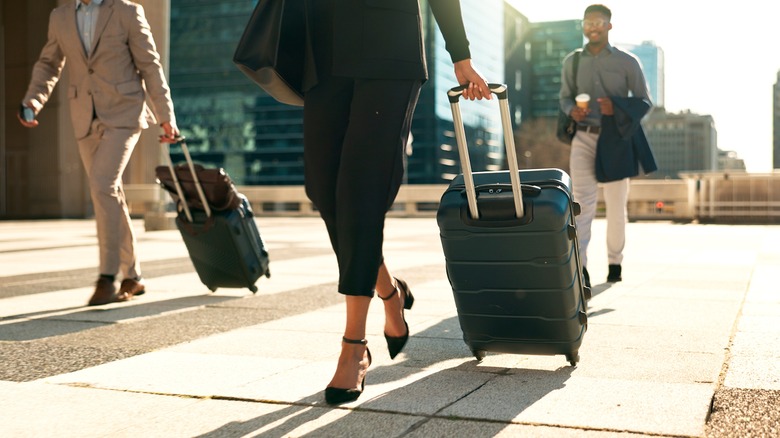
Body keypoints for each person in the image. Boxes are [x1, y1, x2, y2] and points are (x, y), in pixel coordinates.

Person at [301, 0, 490, 405]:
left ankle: (354, 345)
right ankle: (390, 291)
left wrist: (460, 55)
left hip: (388, 51)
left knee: (361, 193)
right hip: (322, 51)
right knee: (324, 191)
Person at [18, 0, 179, 306]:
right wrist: (32, 101)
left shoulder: (127, 12)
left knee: (102, 185)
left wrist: (165, 116)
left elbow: (150, 65)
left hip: (124, 113)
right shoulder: (61, 16)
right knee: (109, 192)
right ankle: (134, 275)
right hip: (84, 115)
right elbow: (49, 63)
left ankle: (108, 277)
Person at [559, 4, 654, 287]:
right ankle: (582, 267)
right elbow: (564, 98)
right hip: (583, 137)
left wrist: (617, 106)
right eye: (588, 22)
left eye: (599, 22)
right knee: (582, 205)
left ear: (609, 26)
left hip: (616, 139)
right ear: (583, 26)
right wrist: (571, 111)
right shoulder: (572, 62)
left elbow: (645, 101)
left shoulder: (628, 61)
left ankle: (615, 262)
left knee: (615, 205)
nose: (593, 26)